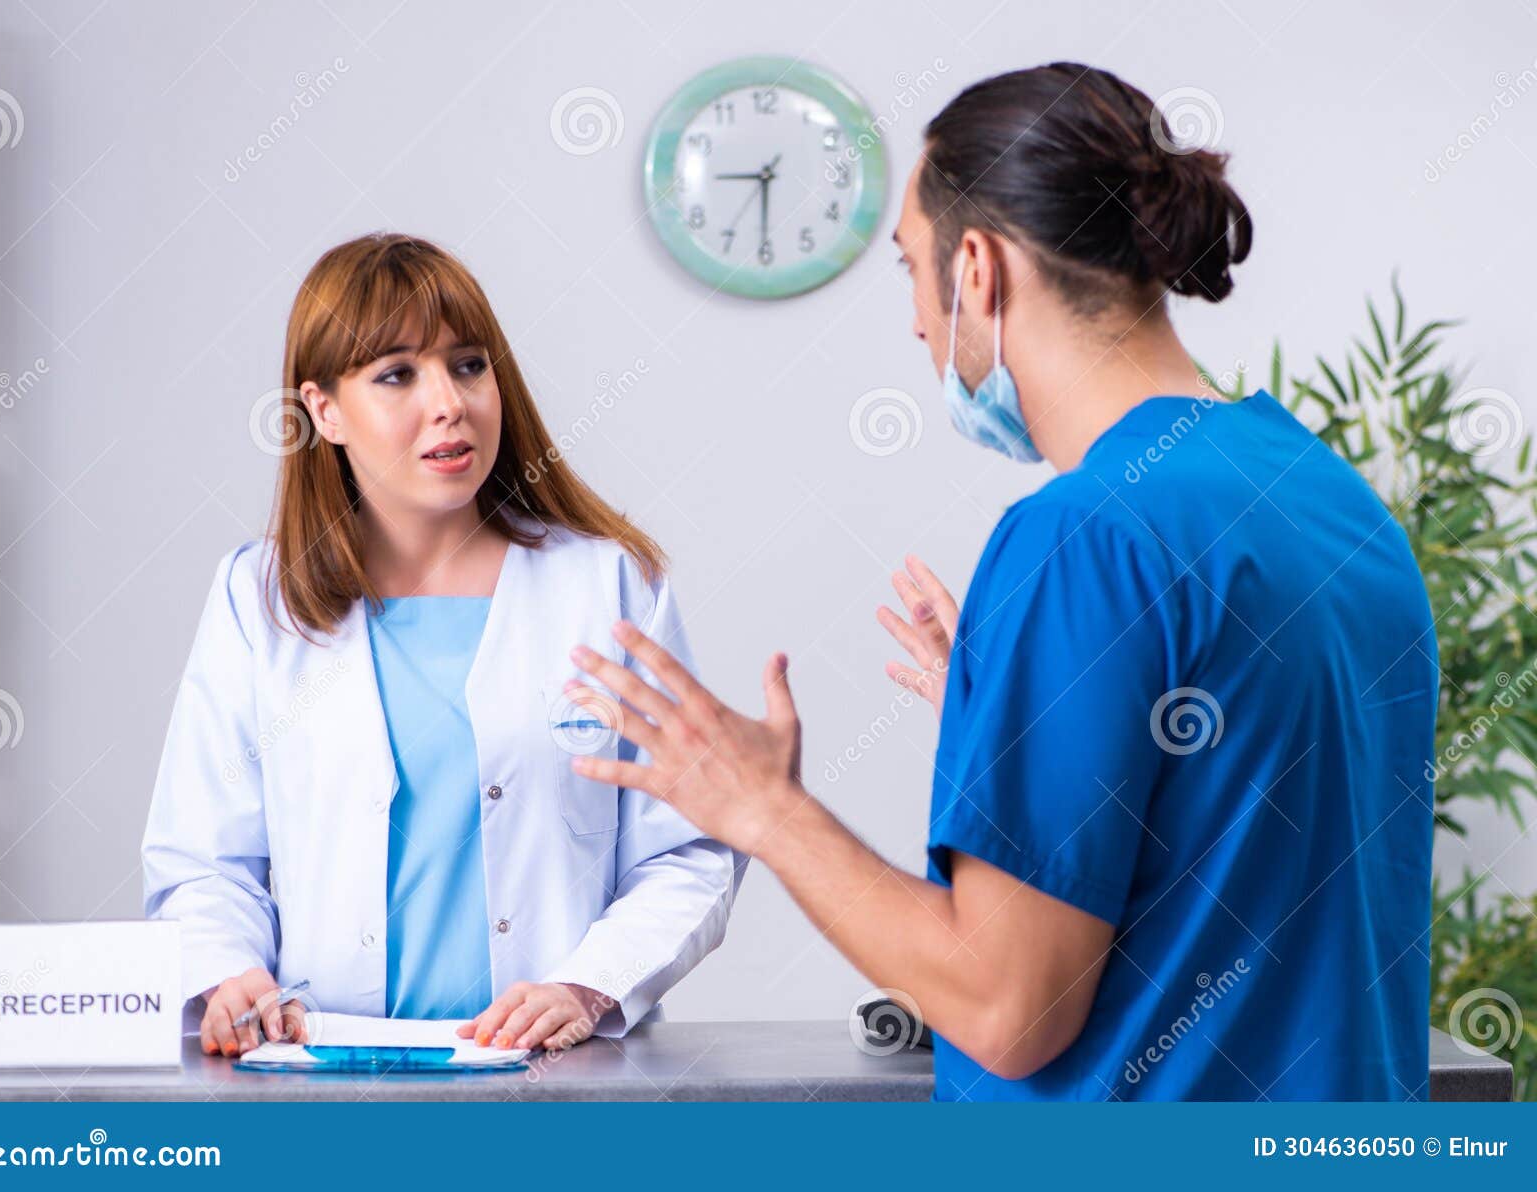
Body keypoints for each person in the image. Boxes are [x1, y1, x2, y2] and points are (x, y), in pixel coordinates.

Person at [567, 63, 1437, 1100]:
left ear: (974, 268)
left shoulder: (1082, 538)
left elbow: (1006, 1009)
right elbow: (1241, 809)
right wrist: (1018, 725)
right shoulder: (1322, 493)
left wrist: (762, 808)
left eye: (910, 271)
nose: (917, 328)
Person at [142, 233, 739, 1058]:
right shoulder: (259, 598)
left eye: (468, 365)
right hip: (325, 1069)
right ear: (324, 411)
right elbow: (203, 858)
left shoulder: (608, 587)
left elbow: (691, 846)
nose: (450, 402)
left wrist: (589, 983)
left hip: (551, 1076)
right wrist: (228, 972)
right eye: (396, 375)